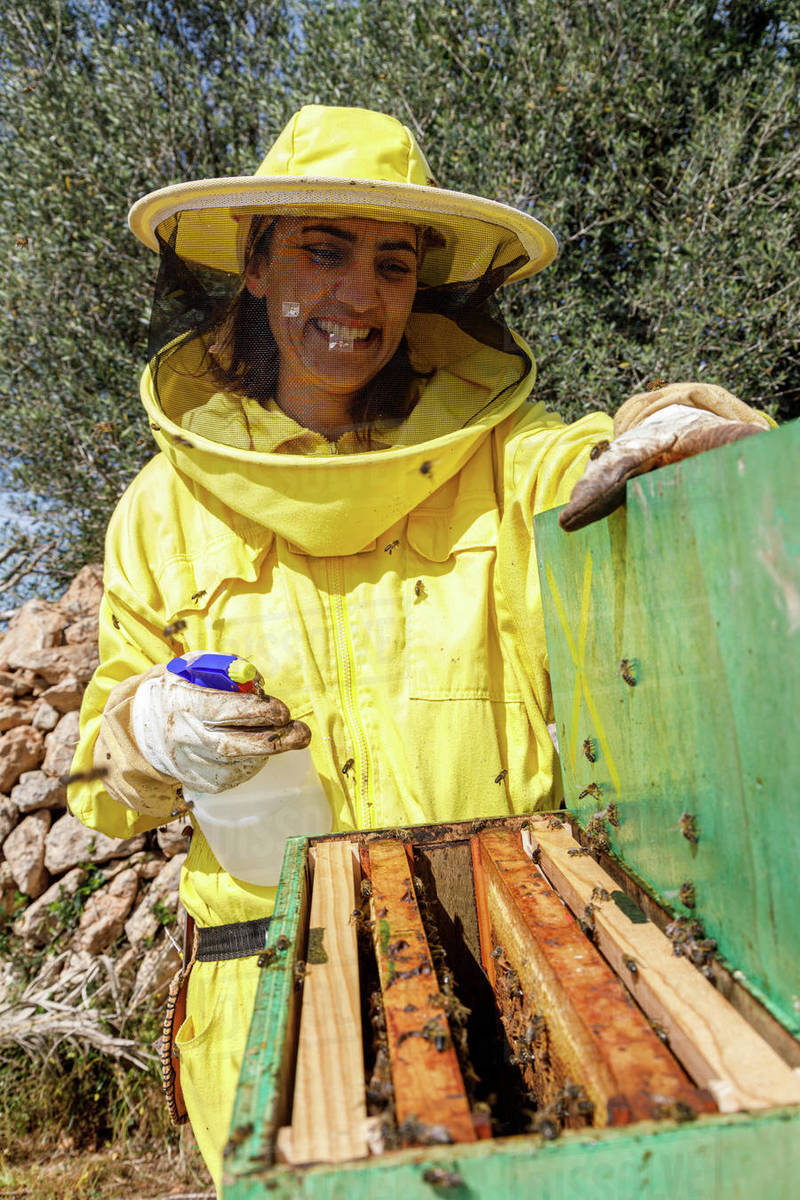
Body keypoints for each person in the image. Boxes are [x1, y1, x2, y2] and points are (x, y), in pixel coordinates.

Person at [67, 105, 772, 1190]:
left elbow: (595, 461)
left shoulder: (500, 462)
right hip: (269, 998)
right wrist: (147, 732)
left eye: (392, 264)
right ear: (255, 266)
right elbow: (101, 792)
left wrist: (667, 426)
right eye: (322, 248)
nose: (359, 296)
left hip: (511, 968)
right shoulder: (159, 514)